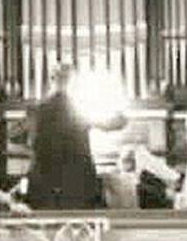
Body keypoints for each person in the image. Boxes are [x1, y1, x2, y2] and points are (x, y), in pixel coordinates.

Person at [29, 64, 124, 209]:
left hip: (45, 181)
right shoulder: (80, 110)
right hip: (78, 180)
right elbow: (117, 123)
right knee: (82, 225)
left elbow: (14, 136)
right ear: (73, 83)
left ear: (51, 81)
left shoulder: (38, 109)